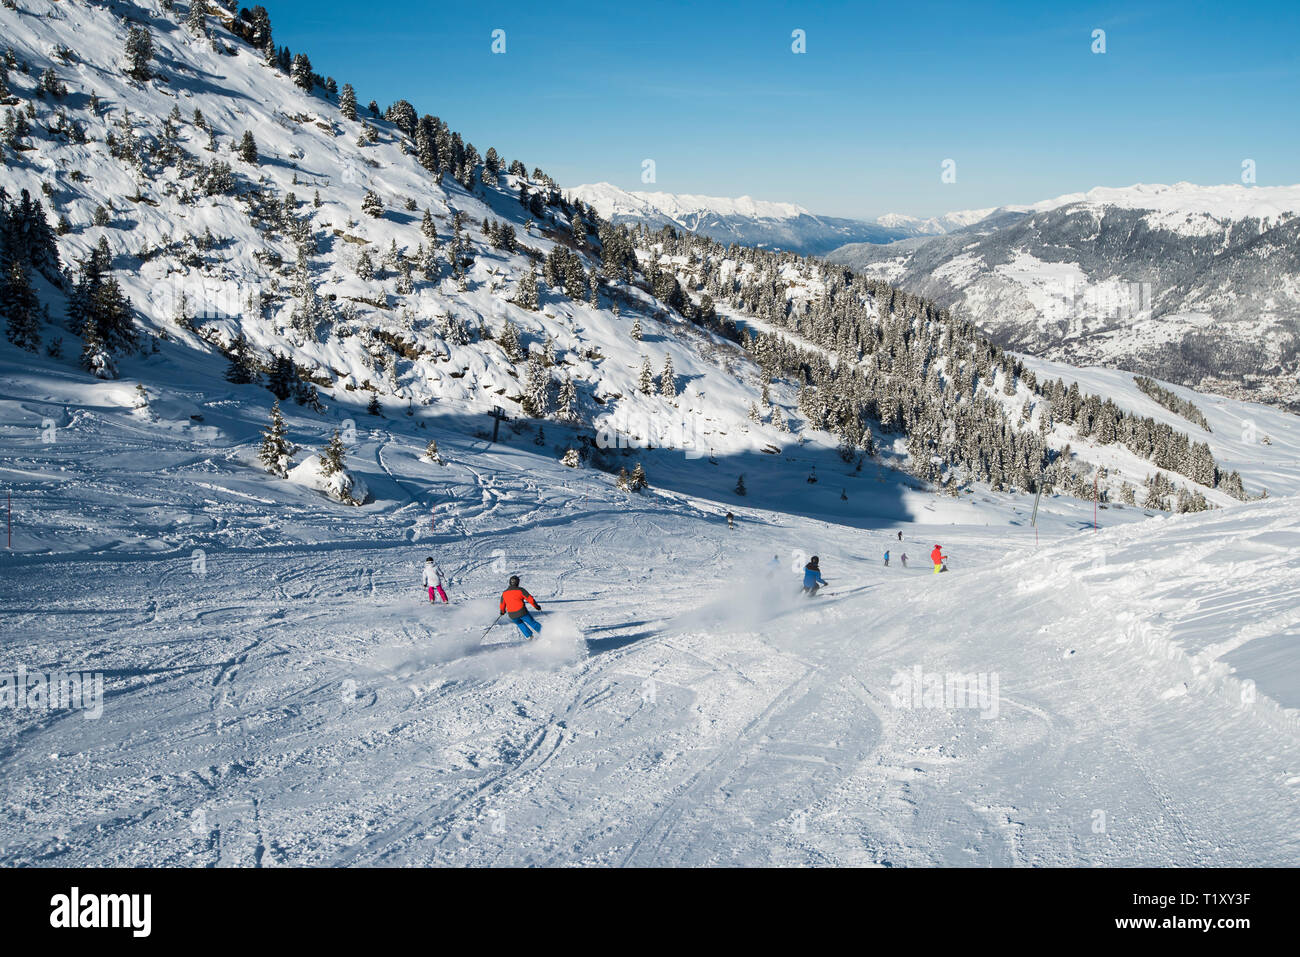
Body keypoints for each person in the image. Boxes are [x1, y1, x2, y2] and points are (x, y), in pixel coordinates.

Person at [499, 575, 542, 639]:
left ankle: (529, 636)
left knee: (519, 623)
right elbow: (530, 599)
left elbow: (502, 604)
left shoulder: (504, 593)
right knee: (532, 622)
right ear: (518, 582)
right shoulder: (520, 590)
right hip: (522, 612)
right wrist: (536, 607)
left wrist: (502, 612)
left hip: (512, 614)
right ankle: (544, 632)